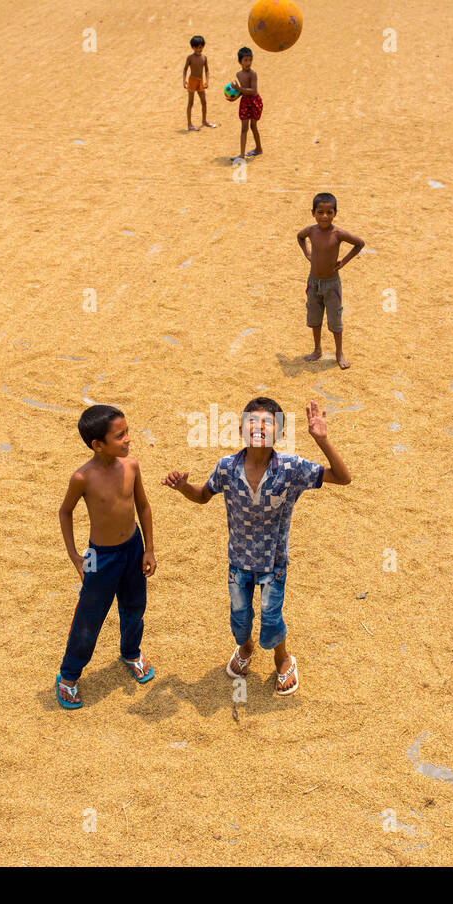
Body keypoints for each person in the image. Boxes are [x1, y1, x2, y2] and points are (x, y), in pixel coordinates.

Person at [162, 399, 350, 696]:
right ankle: (246, 646)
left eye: (268, 422)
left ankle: (282, 658)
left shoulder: (291, 468)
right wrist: (184, 486)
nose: (259, 426)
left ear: (279, 434)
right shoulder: (226, 467)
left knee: (271, 618)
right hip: (238, 563)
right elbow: (202, 495)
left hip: (273, 566)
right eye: (253, 421)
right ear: (240, 429)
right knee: (239, 619)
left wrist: (322, 440)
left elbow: (342, 477)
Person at [56, 405, 157, 709]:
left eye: (127, 431)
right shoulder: (82, 478)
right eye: (120, 435)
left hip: (133, 547)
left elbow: (144, 506)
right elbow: (65, 511)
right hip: (99, 557)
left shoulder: (131, 466)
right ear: (97, 444)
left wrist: (149, 548)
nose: (128, 439)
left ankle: (131, 652)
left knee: (135, 606)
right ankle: (69, 676)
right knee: (89, 616)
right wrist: (75, 555)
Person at [297, 193, 364, 370]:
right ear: (313, 213)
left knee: (335, 320)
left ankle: (339, 352)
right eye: (320, 212)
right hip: (313, 282)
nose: (324, 216)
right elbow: (299, 237)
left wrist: (344, 261)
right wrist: (307, 253)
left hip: (331, 284)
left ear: (335, 213)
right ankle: (317, 349)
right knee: (314, 317)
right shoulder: (311, 231)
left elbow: (359, 243)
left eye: (329, 212)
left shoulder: (338, 233)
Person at [233, 47, 262, 161]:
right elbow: (243, 91)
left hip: (254, 101)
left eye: (250, 60)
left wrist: (239, 88)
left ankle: (259, 149)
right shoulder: (238, 74)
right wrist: (235, 96)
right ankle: (241, 154)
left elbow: (254, 90)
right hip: (245, 101)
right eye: (245, 60)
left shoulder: (253, 74)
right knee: (244, 128)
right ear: (239, 62)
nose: (248, 63)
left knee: (253, 126)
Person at [182, 35, 216, 131]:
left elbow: (207, 70)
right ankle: (189, 124)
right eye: (196, 47)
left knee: (204, 102)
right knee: (190, 103)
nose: (198, 49)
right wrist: (184, 80)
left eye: (200, 47)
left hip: (200, 81)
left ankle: (204, 121)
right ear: (192, 47)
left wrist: (207, 81)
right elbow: (185, 69)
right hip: (192, 81)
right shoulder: (190, 58)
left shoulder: (204, 57)